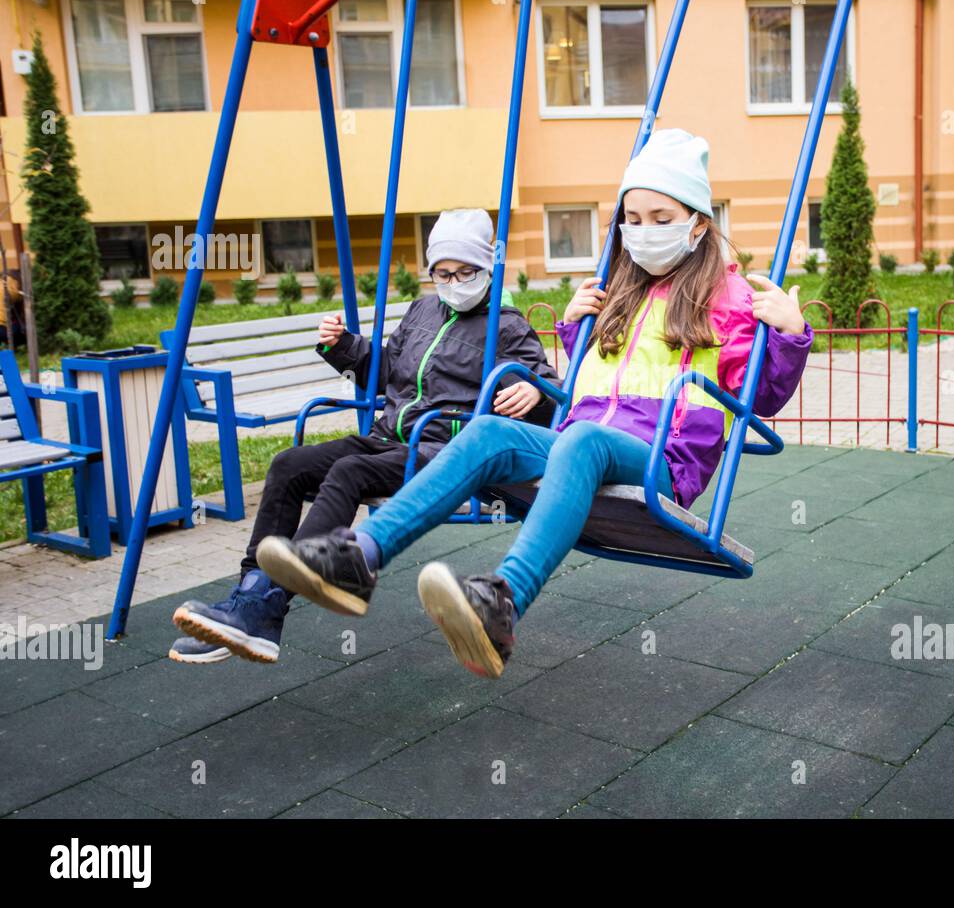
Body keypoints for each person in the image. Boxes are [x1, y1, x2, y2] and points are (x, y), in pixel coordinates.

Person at [257, 128, 812, 679]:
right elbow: (601, 377)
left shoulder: (732, 298)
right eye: (633, 219)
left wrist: (789, 335)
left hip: (660, 462)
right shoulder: (618, 288)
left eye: (662, 220)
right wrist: (576, 327)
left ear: (698, 223)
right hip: (581, 443)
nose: (644, 233)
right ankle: (362, 556)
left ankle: (502, 601)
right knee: (486, 432)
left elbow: (758, 397)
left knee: (582, 438)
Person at [169, 208, 559, 664]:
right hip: (387, 436)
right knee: (288, 465)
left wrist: (533, 392)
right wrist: (343, 348)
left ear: (486, 268)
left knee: (349, 471)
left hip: (439, 451)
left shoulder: (505, 324)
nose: (453, 283)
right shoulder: (423, 311)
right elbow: (386, 371)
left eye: (466, 272)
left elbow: (546, 384)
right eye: (443, 273)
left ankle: (265, 605)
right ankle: (250, 594)